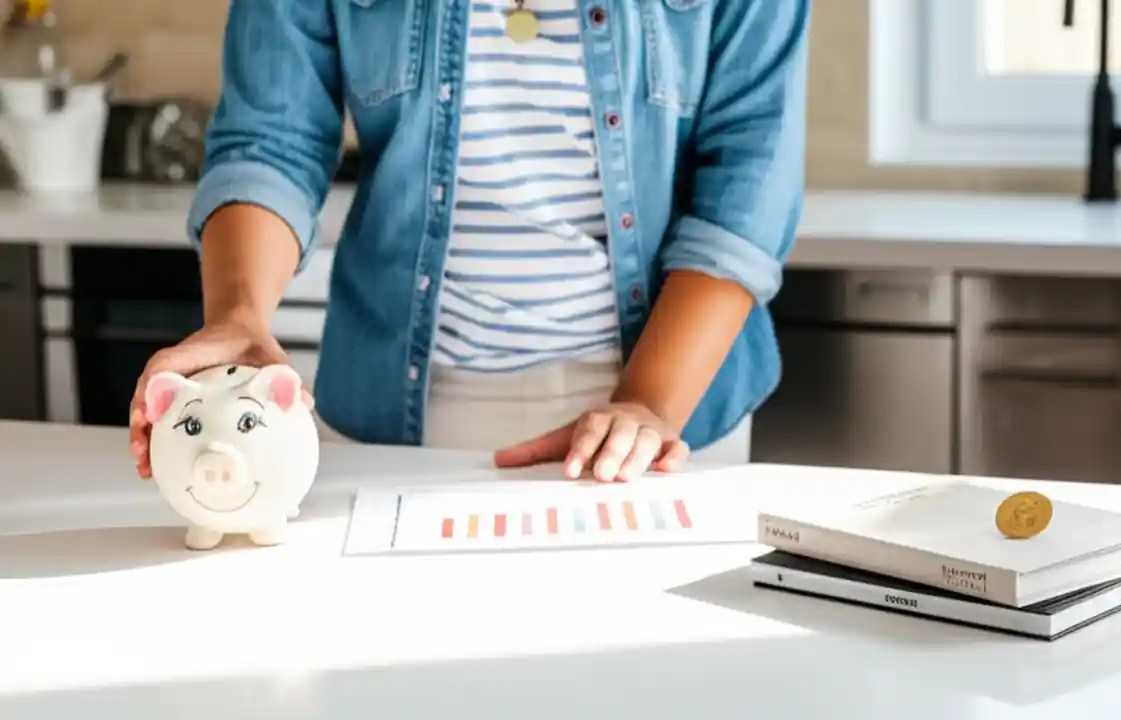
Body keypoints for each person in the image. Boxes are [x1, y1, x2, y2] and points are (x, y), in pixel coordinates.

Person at [128, 0, 810, 483]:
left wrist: (650, 404)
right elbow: (271, 136)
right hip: (400, 415)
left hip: (670, 405)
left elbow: (752, 172)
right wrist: (238, 316)